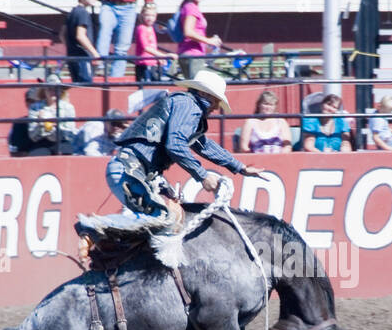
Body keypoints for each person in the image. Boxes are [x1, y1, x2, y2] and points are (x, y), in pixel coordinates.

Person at [79, 69, 262, 233]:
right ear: (202, 94)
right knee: (159, 217)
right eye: (215, 100)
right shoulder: (189, 107)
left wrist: (239, 167)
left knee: (161, 220)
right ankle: (94, 226)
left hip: (132, 169)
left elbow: (203, 145)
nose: (215, 107)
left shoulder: (183, 105)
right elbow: (175, 144)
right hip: (129, 171)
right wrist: (202, 175)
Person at [175, 0, 220, 78]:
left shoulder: (187, 7)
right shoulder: (191, 8)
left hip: (188, 54)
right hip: (193, 55)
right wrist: (209, 41)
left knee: (194, 87)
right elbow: (188, 32)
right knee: (198, 89)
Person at [64, 0, 101, 83]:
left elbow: (62, 34)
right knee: (86, 87)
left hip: (72, 56)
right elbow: (80, 36)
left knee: (77, 88)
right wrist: (95, 53)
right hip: (82, 58)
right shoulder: (83, 13)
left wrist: (71, 47)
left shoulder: (73, 12)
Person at [132, 2, 171, 83]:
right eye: (147, 15)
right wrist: (162, 55)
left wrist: (158, 58)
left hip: (152, 64)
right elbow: (146, 47)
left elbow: (153, 47)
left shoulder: (151, 28)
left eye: (152, 15)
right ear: (142, 15)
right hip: (143, 64)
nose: (150, 18)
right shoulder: (141, 28)